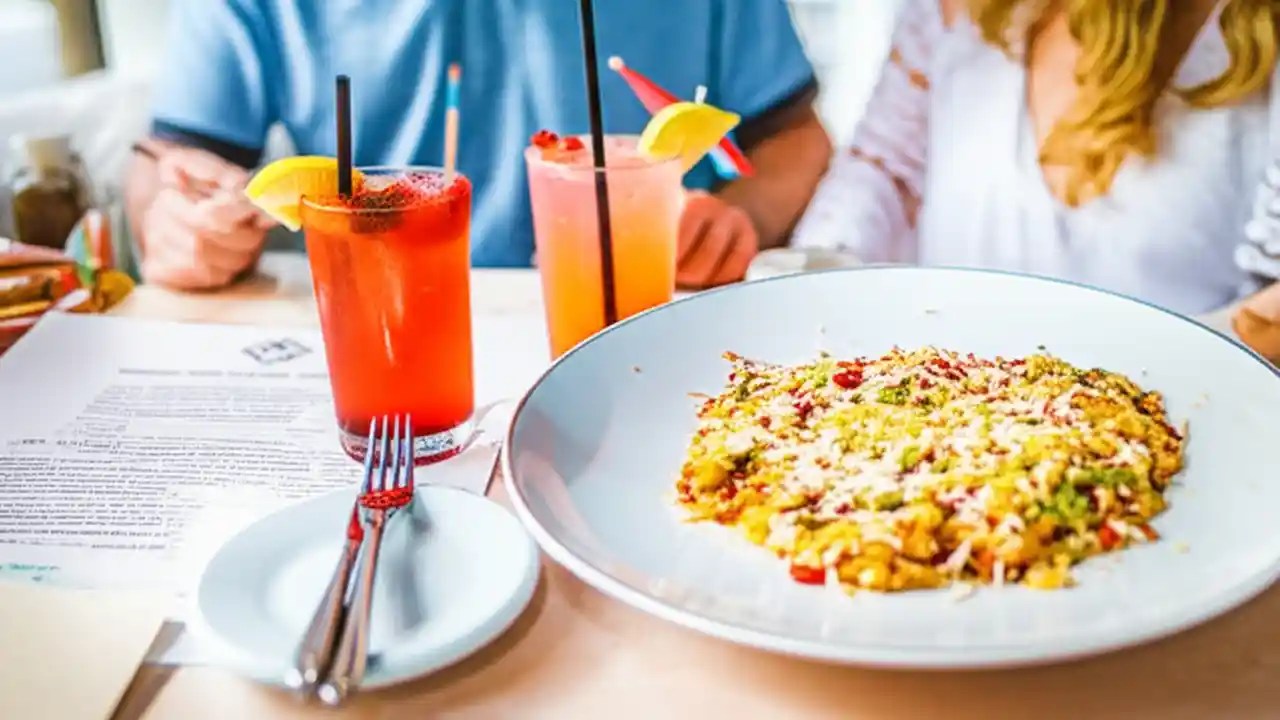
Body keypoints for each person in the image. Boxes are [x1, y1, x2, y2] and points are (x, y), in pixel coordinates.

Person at [124, 0, 832, 292]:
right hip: (382, 331)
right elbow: (170, 161)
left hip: (640, 324)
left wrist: (742, 216)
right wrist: (177, 223)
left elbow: (794, 138)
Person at [791, 0, 1278, 317]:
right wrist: (817, 267)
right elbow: (884, 167)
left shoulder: (1257, 51)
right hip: (946, 418)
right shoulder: (949, 15)